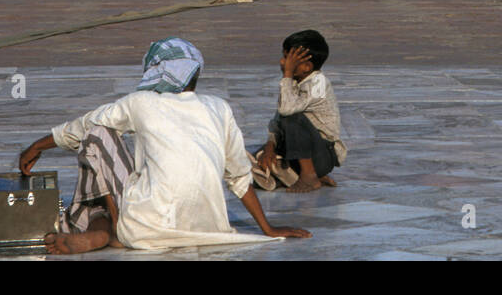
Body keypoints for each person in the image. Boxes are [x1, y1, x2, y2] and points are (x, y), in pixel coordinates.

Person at [17, 37, 310, 253]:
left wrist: (38, 146)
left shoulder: (141, 102)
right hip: (207, 229)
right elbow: (239, 176)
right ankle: (104, 226)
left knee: (97, 135)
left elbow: (84, 126)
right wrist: (267, 228)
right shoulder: (218, 107)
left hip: (145, 229)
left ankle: (105, 228)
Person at [251, 29, 347, 194]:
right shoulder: (296, 82)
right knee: (259, 162)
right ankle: (295, 175)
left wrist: (287, 75)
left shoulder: (318, 84)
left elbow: (287, 111)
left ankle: (309, 175)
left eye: (288, 60)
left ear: (306, 66)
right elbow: (277, 120)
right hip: (300, 151)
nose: (282, 63)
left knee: (292, 118)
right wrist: (270, 147)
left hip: (322, 155)